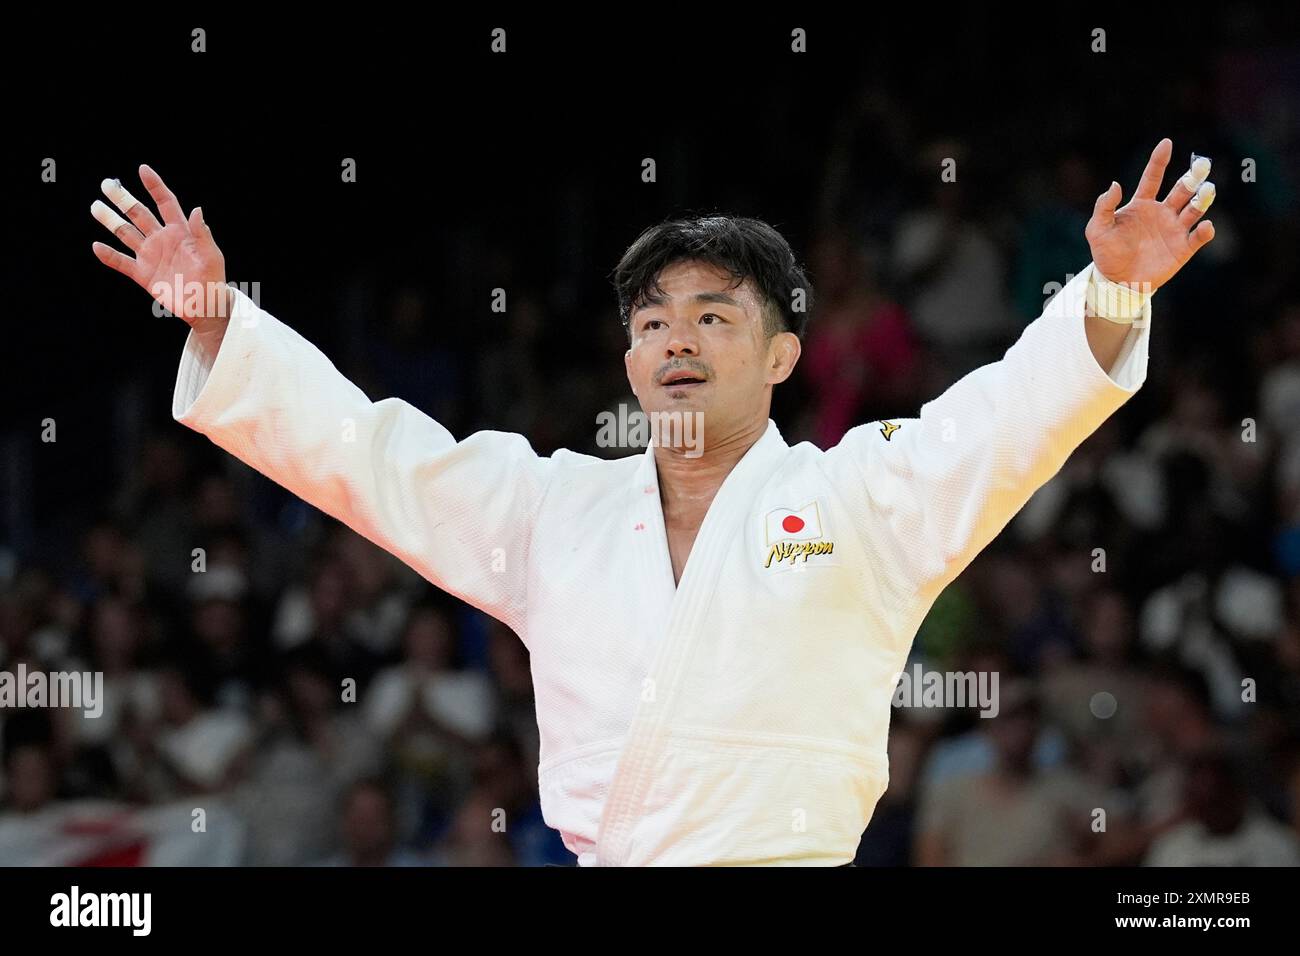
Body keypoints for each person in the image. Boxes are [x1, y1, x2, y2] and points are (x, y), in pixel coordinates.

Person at [90, 140, 1217, 865]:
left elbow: (1006, 419)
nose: (677, 339)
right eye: (651, 321)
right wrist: (218, 318)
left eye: (713, 316)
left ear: (782, 356)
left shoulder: (858, 497)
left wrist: (1114, 291)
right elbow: (373, 455)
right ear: (629, 362)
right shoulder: (554, 508)